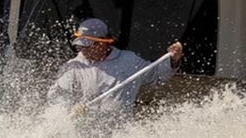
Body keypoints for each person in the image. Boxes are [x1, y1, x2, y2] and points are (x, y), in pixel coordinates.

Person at [48, 17, 183, 116]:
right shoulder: (74, 66)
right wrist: (69, 108)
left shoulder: (130, 61)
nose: (82, 50)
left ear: (103, 43)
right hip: (84, 136)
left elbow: (159, 76)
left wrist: (173, 60)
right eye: (80, 46)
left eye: (87, 46)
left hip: (118, 137)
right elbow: (56, 95)